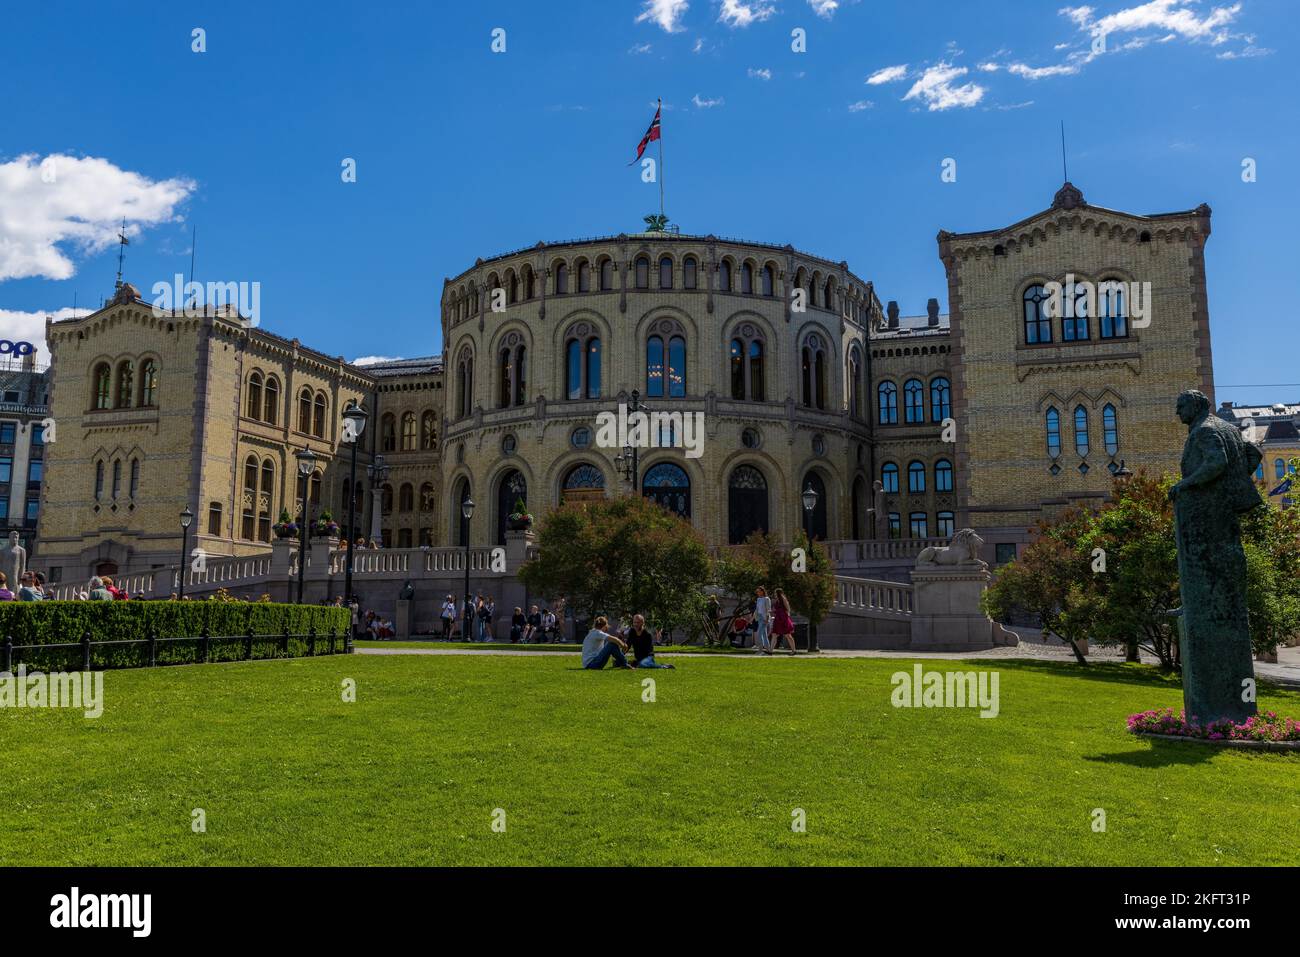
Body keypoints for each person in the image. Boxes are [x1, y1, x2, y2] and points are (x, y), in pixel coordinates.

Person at [771, 587, 797, 654]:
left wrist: (787, 616)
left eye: (775, 593)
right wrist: (772, 611)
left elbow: (788, 608)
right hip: (777, 618)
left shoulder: (783, 599)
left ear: (778, 593)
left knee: (788, 635)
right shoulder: (777, 600)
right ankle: (770, 650)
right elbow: (777, 609)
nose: (774, 594)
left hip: (783, 618)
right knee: (774, 634)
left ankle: (794, 650)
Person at [752, 586, 773, 655]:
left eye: (758, 591)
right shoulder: (758, 599)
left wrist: (767, 618)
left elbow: (768, 609)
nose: (757, 593)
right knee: (764, 635)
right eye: (757, 592)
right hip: (759, 618)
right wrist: (752, 618)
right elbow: (757, 610)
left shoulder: (766, 599)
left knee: (759, 633)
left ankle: (760, 650)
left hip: (764, 618)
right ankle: (769, 650)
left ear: (762, 591)